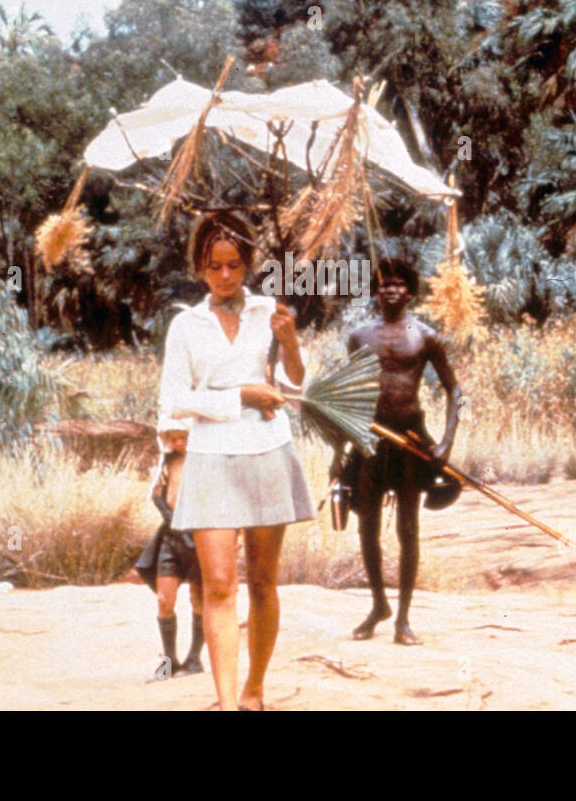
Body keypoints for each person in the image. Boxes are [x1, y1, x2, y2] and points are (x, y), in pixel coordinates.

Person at [157, 210, 314, 711]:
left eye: (233, 264)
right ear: (199, 267)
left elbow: (293, 387)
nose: (224, 276)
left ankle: (254, 692)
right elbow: (176, 402)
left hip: (267, 452)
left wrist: (288, 342)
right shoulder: (186, 325)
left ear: (248, 262)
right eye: (212, 266)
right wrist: (241, 395)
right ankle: (227, 704)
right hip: (211, 459)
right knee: (220, 585)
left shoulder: (269, 312)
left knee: (264, 581)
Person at [332, 256, 462, 645]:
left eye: (398, 284)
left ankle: (403, 619)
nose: (391, 289)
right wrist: (338, 452)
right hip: (370, 440)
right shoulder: (359, 337)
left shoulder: (425, 337)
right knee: (366, 526)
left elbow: (455, 390)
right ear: (376, 290)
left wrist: (445, 442)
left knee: (408, 528)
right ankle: (377, 605)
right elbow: (349, 394)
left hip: (410, 440)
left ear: (410, 292)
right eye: (384, 283)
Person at [133, 429, 205, 680]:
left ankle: (195, 658)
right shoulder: (168, 461)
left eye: (183, 437)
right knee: (165, 599)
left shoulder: (206, 459)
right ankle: (169, 662)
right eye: (173, 439)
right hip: (172, 535)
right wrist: (172, 518)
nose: (178, 443)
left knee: (199, 597)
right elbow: (157, 494)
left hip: (200, 534)